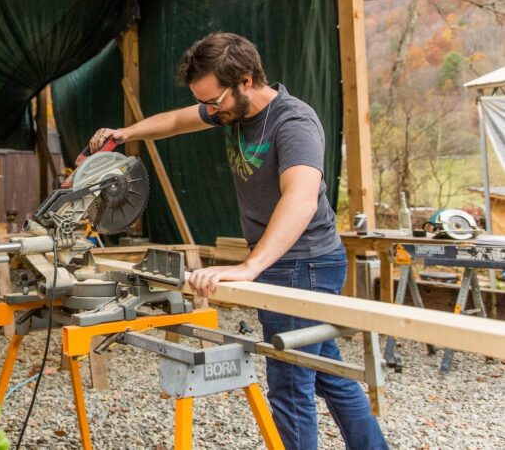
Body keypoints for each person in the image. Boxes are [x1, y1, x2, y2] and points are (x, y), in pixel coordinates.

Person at [90, 32, 387, 450]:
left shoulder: (293, 122)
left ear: (245, 80)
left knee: (289, 387)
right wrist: (124, 133)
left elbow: (300, 200)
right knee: (328, 375)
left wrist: (252, 266)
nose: (210, 111)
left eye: (215, 101)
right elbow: (176, 121)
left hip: (305, 263)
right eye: (205, 102)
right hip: (287, 260)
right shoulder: (232, 108)